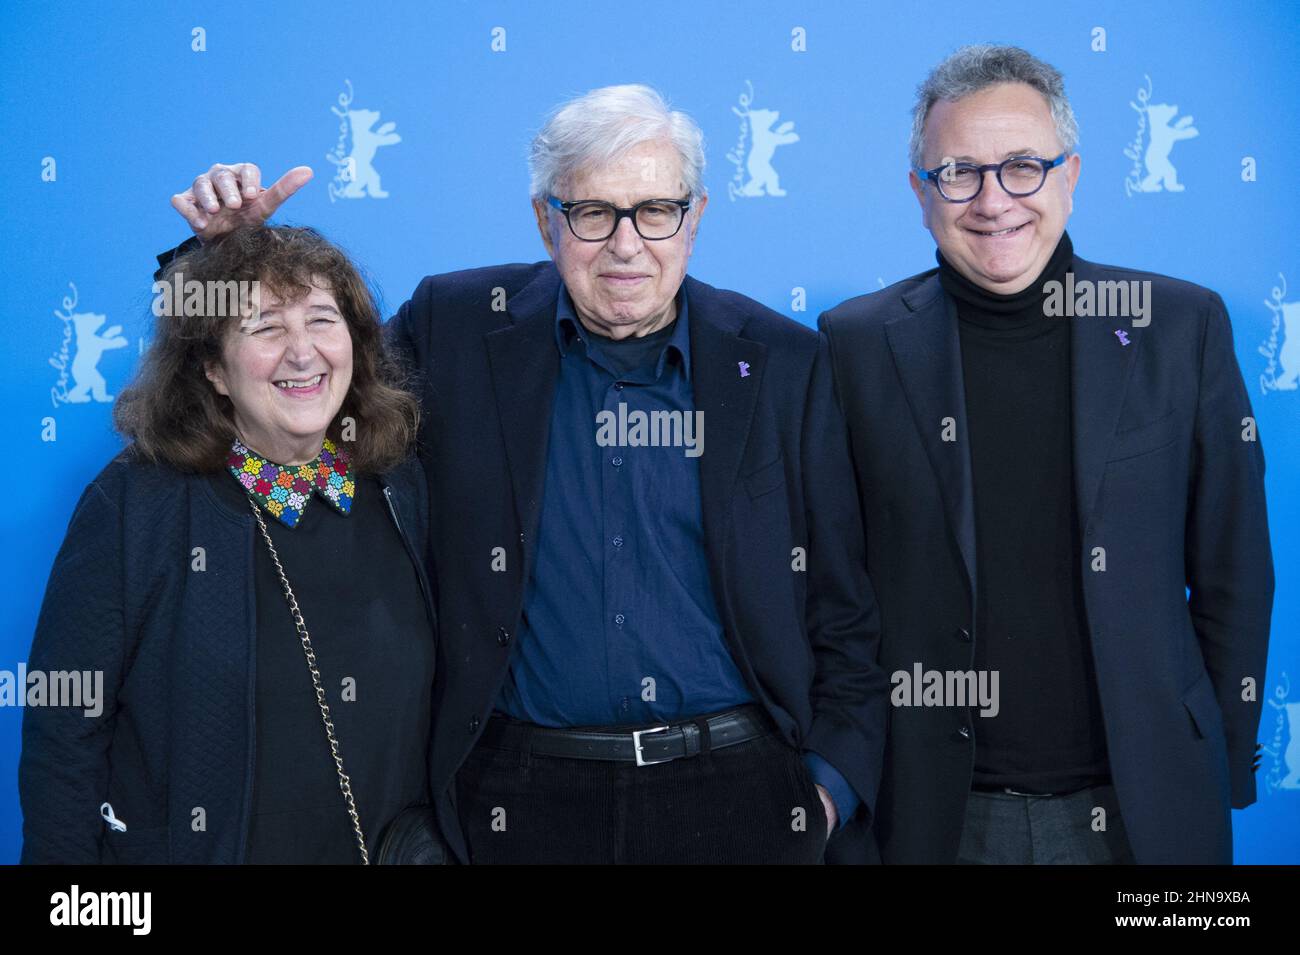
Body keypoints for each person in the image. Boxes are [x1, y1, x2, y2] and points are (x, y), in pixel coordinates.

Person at [164, 84, 887, 864]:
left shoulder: (782, 361)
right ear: (546, 220)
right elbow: (301, 376)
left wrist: (822, 795)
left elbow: (844, 610)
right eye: (592, 213)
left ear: (696, 216)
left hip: (739, 791)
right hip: (519, 798)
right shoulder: (457, 325)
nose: (626, 245)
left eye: (655, 210)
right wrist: (225, 262)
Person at [819, 45, 1273, 864]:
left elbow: (1235, 570)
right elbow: (831, 594)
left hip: (1146, 808)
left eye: (1023, 167)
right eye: (959, 172)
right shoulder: (851, 346)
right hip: (932, 818)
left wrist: (1219, 766)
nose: (994, 201)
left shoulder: (1180, 326)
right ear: (922, 195)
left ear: (1070, 175)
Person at [20, 226, 437, 864]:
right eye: (265, 327)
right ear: (213, 368)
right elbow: (65, 735)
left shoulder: (400, 485)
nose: (303, 353)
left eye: (322, 319)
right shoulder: (137, 504)